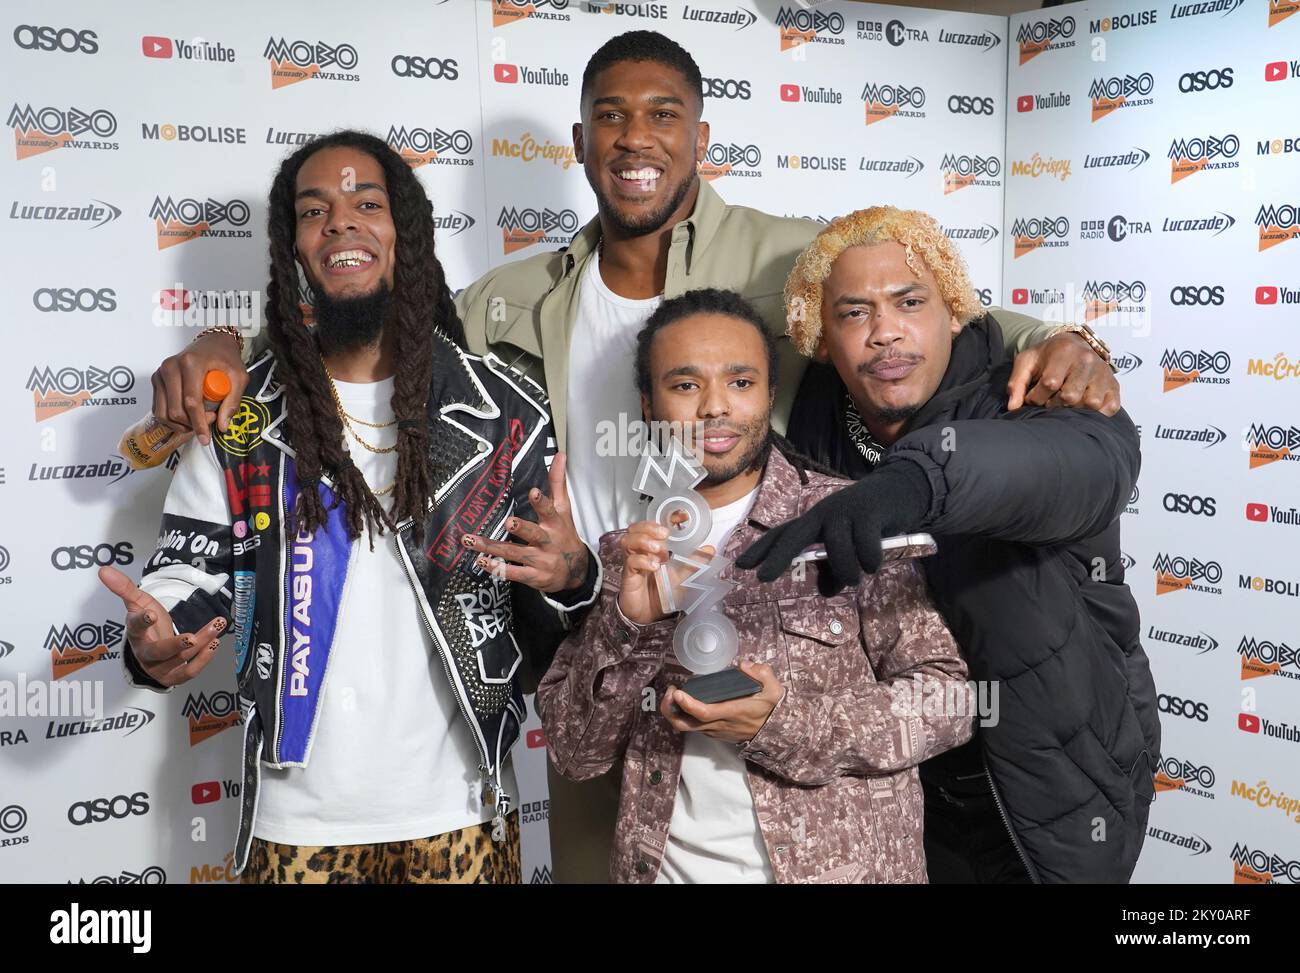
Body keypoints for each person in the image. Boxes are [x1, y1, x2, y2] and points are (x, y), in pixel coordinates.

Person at [140, 32, 1121, 883]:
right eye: (609, 115)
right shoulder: (510, 296)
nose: (634, 138)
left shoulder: (784, 254)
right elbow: (364, 355)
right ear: (580, 143)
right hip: (594, 649)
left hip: (767, 634)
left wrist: (1072, 338)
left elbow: (924, 302)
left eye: (663, 115)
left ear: (702, 139)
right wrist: (229, 354)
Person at [100, 130, 598, 883]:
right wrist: (156, 633)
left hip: (462, 810)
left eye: (367, 202)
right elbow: (184, 573)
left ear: (407, 232)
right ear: (292, 247)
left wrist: (573, 575)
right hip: (294, 824)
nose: (341, 221)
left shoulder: (503, 409)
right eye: (314, 210)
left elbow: (564, 607)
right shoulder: (243, 414)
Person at [738, 207, 1159, 883]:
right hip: (889, 788)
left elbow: (1094, 465)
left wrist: (912, 483)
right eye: (854, 312)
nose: (886, 332)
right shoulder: (806, 424)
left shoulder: (1034, 390)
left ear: (954, 311)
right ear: (819, 337)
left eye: (910, 302)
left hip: (1044, 783)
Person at [537, 288, 971, 883]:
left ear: (769, 394)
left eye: (740, 382)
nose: (715, 408)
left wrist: (783, 723)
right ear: (648, 404)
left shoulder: (847, 520)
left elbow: (946, 702)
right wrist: (629, 626)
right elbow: (573, 751)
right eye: (685, 386)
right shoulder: (626, 554)